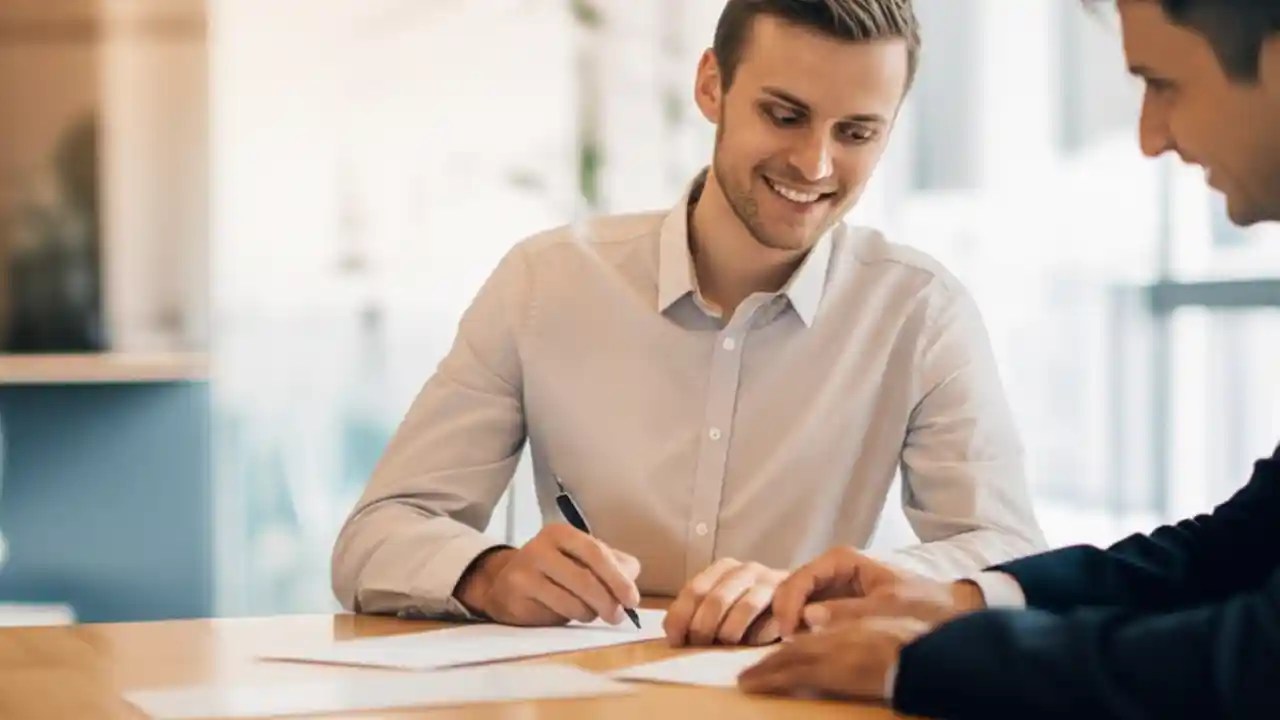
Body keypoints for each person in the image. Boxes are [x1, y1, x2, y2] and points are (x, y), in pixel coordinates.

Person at [331, 0, 1045, 648]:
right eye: (785, 115)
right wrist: (487, 574)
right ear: (712, 86)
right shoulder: (545, 283)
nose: (815, 163)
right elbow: (375, 538)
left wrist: (845, 583)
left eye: (856, 132)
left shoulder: (919, 310)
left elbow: (1009, 551)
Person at [739, 0, 1280, 716]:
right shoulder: (548, 279)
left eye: (1163, 84)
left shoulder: (918, 300)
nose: (1149, 137)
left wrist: (930, 663)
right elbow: (1237, 548)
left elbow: (1254, 662)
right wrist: (964, 601)